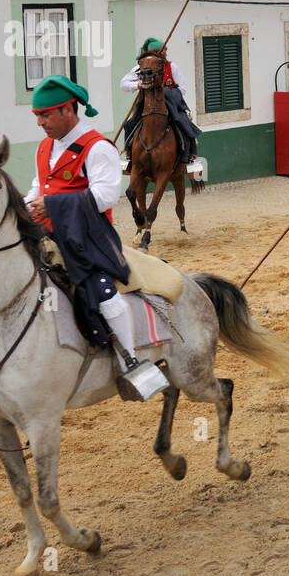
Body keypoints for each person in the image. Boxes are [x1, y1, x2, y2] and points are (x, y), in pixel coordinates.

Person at [23, 75, 164, 397]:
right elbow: (38, 187)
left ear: (68, 110)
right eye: (37, 116)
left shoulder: (98, 147)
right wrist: (24, 208)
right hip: (46, 234)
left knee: (103, 293)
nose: (40, 122)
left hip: (88, 237)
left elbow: (105, 196)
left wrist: (53, 205)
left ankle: (131, 362)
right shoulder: (44, 147)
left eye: (45, 115)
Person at [121, 37, 200, 165]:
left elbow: (182, 89)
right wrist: (138, 85)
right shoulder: (140, 68)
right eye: (163, 52)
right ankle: (130, 154)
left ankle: (189, 155)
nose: (166, 54)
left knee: (183, 123)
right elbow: (123, 84)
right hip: (147, 105)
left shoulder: (172, 67)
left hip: (169, 105)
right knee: (129, 125)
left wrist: (163, 92)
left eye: (165, 52)